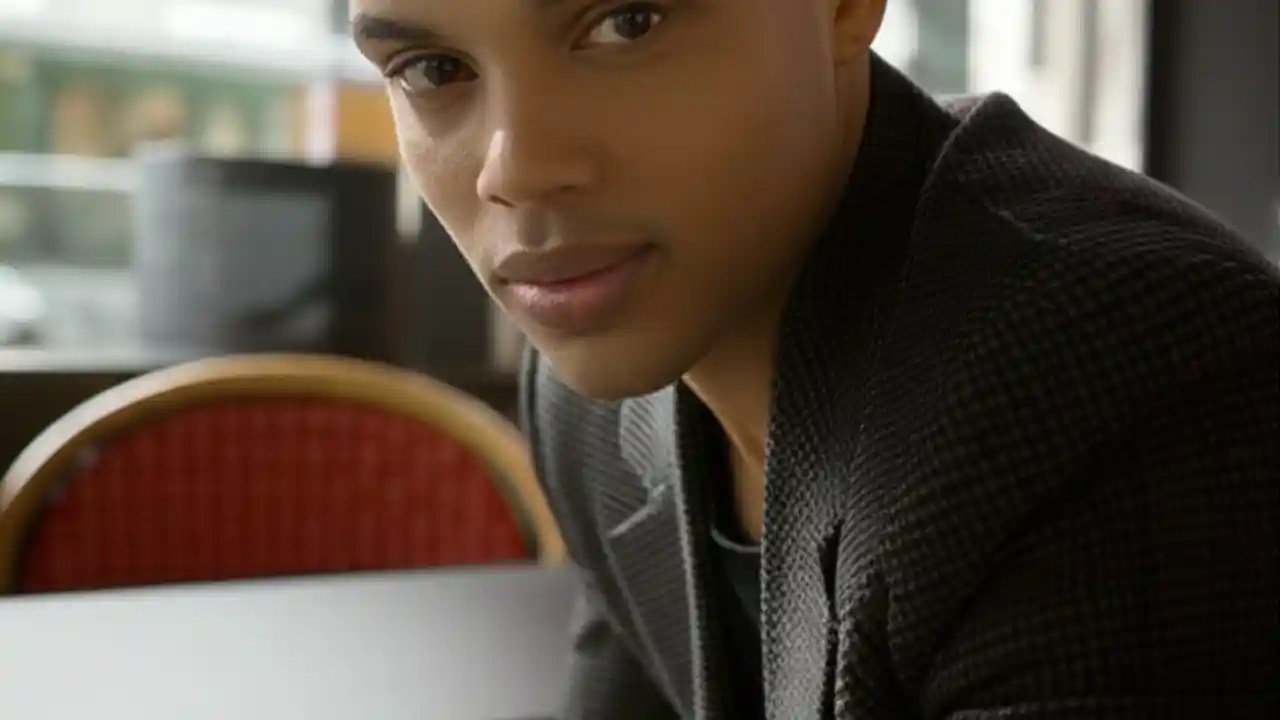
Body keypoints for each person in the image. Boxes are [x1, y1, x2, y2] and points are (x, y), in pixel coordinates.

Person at [350, 1, 1279, 717]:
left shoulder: (1123, 378)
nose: (512, 169)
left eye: (628, 22)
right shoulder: (585, 401)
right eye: (433, 69)